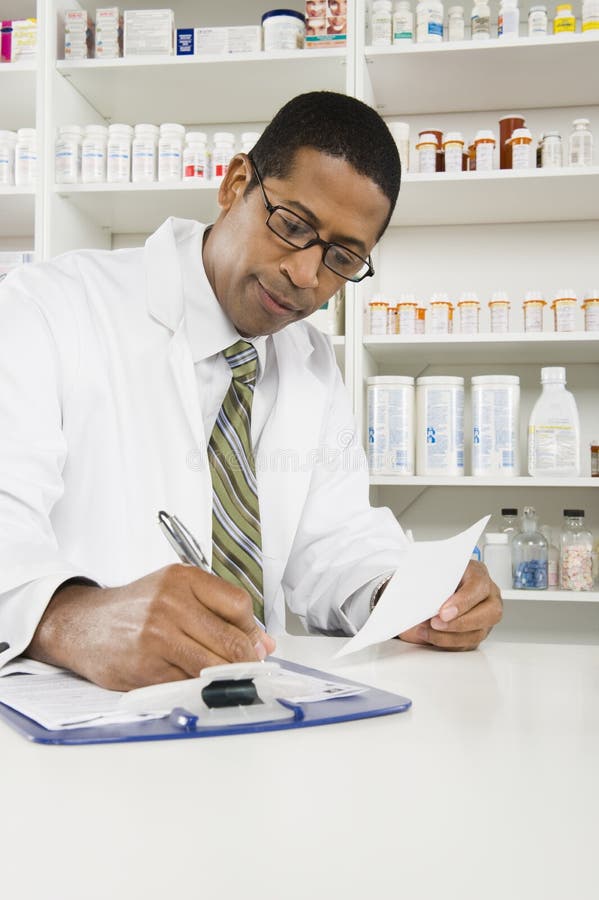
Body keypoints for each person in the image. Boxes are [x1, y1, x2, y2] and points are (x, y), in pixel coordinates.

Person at [0, 92, 502, 691]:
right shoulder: (50, 306)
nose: (306, 276)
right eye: (292, 226)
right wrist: (71, 620)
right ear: (236, 183)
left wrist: (405, 595)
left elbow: (335, 540)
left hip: (257, 717)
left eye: (342, 258)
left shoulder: (310, 360)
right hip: (79, 719)